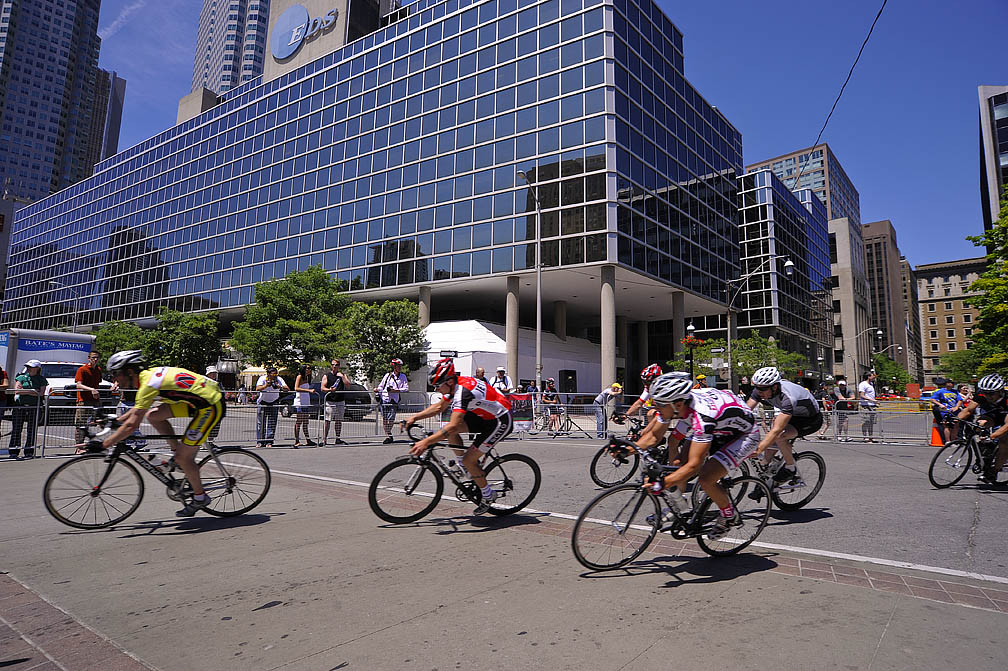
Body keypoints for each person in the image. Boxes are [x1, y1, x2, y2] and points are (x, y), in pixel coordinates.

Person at [86, 351, 225, 516]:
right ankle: (178, 455)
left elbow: (132, 425)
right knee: (153, 415)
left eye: (116, 374)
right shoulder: (147, 378)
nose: (115, 379)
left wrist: (104, 444)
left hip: (210, 405)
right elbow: (137, 411)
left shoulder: (148, 385)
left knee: (184, 457)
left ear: (129, 372)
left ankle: (200, 497)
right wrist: (117, 420)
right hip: (197, 401)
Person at [626, 373, 760, 540]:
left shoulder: (702, 418)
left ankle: (729, 516)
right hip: (719, 425)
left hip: (744, 435)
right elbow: (654, 437)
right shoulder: (676, 405)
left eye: (659, 404)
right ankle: (679, 507)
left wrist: (663, 483)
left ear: (678, 404)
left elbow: (694, 466)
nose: (655, 407)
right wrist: (627, 449)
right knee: (678, 461)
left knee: (705, 478)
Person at [405, 358, 514, 514]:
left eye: (437, 385)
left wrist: (426, 442)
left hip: (500, 419)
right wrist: (415, 417)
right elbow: (439, 407)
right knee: (450, 430)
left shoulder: (463, 392)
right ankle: (466, 468)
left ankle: (488, 495)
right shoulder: (454, 386)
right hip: (484, 416)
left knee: (467, 456)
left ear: (449, 381)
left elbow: (454, 425)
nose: (436, 389)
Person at [746, 367, 823, 485]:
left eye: (762, 389)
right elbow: (745, 411)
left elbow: (777, 430)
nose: (759, 392)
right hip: (792, 414)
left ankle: (790, 468)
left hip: (810, 420)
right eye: (757, 388)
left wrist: (759, 449)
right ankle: (767, 476)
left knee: (779, 435)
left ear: (774, 387)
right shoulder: (761, 389)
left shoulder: (788, 397)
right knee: (770, 442)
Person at [957, 373, 1008, 485]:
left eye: (991, 393)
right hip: (993, 414)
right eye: (985, 393)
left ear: (1000, 391)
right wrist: (955, 420)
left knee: (1004, 441)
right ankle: (984, 456)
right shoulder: (981, 395)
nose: (988, 396)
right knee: (980, 424)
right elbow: (968, 410)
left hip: (1006, 415)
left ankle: (993, 472)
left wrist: (992, 436)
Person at [9, 360, 48, 459]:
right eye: (28, 367)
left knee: (31, 429)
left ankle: (29, 451)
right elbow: (17, 391)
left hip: (34, 407)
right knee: (17, 429)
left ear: (37, 368)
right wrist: (34, 391)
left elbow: (41, 393)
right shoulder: (21, 377)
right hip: (20, 406)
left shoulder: (41, 379)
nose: (29, 368)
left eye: (31, 367)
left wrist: (25, 391)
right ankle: (14, 450)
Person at [375, 358, 409, 444]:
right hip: (385, 399)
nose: (400, 367)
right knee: (385, 418)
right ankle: (388, 435)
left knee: (391, 419)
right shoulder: (387, 375)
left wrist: (396, 391)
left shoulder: (403, 376)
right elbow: (381, 386)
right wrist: (377, 390)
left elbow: (406, 389)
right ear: (394, 366)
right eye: (398, 366)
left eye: (400, 366)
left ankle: (388, 433)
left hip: (394, 400)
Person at [74, 352, 105, 444]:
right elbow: (79, 385)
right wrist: (91, 389)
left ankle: (94, 443)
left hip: (95, 400)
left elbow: (97, 384)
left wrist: (96, 392)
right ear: (89, 358)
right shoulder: (82, 369)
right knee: (80, 424)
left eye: (97, 358)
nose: (95, 360)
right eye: (93, 357)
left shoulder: (98, 369)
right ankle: (79, 446)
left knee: (98, 421)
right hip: (83, 400)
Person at [255, 365, 288, 448]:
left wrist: (279, 386)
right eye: (273, 375)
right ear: (268, 374)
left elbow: (287, 388)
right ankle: (260, 441)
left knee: (272, 422)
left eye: (276, 374)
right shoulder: (262, 378)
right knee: (261, 423)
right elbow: (257, 388)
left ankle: (269, 441)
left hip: (274, 401)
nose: (275, 376)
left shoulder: (279, 379)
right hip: (263, 402)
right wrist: (266, 386)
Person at [321, 358, 352, 445]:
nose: (334, 366)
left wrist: (342, 377)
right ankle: (324, 439)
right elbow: (322, 388)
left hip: (340, 401)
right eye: (333, 364)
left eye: (336, 365)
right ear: (331, 366)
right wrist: (329, 390)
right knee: (327, 420)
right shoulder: (327, 375)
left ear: (339, 366)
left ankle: (337, 438)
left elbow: (348, 385)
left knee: (338, 421)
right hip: (330, 401)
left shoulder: (342, 375)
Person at [930, 378, 962, 446]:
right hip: (945, 410)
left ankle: (953, 440)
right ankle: (948, 441)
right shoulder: (940, 391)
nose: (950, 384)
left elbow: (960, 400)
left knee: (955, 425)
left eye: (952, 383)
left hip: (955, 411)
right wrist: (940, 405)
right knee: (946, 425)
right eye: (949, 383)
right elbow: (932, 399)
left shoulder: (955, 392)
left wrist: (956, 407)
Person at [292, 364, 317, 447]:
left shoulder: (307, 378)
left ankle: (308, 439)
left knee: (306, 422)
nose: (310, 370)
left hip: (306, 402)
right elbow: (296, 388)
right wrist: (308, 390)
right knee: (299, 422)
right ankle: (297, 440)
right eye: (308, 368)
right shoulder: (299, 377)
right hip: (300, 402)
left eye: (310, 368)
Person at [204, 365, 223, 449]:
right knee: (205, 425)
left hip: (216, 406)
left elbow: (223, 393)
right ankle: (203, 443)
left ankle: (210, 442)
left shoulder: (218, 383)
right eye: (212, 373)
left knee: (215, 426)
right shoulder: (204, 382)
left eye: (215, 373)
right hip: (207, 406)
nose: (214, 375)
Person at [858, 371, 878, 443]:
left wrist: (874, 402)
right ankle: (865, 437)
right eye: (873, 375)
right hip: (865, 406)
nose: (874, 377)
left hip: (872, 405)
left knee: (871, 422)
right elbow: (862, 395)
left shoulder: (871, 384)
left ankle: (871, 437)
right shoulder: (863, 384)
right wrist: (872, 400)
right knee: (865, 422)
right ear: (868, 376)